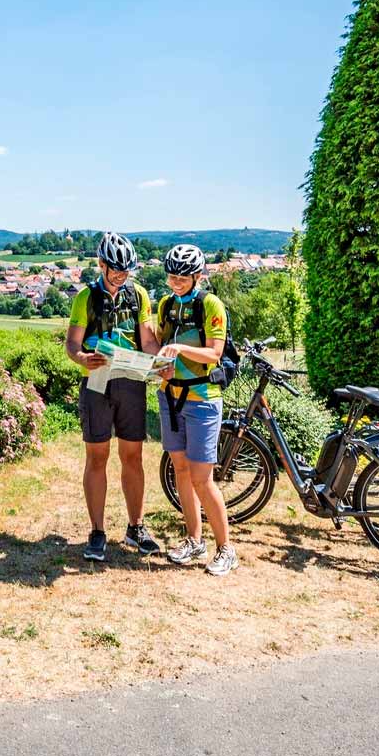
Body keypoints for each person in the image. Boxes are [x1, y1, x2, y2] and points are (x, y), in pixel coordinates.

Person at [65, 232, 160, 561]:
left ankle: (136, 527)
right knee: (97, 458)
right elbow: (72, 345)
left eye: (127, 271)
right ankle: (97, 531)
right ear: (101, 265)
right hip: (97, 381)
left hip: (131, 381)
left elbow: (147, 340)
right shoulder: (85, 298)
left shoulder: (140, 296)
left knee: (133, 456)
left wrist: (160, 361)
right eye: (116, 271)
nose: (122, 277)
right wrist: (82, 359)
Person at [154, 243, 235, 575]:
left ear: (198, 276)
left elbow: (214, 353)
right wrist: (162, 364)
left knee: (203, 479)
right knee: (181, 473)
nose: (176, 282)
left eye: (183, 278)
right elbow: (160, 347)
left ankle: (226, 548)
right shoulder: (166, 305)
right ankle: (193, 539)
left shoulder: (210, 305)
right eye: (172, 276)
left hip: (202, 398)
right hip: (170, 396)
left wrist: (179, 348)